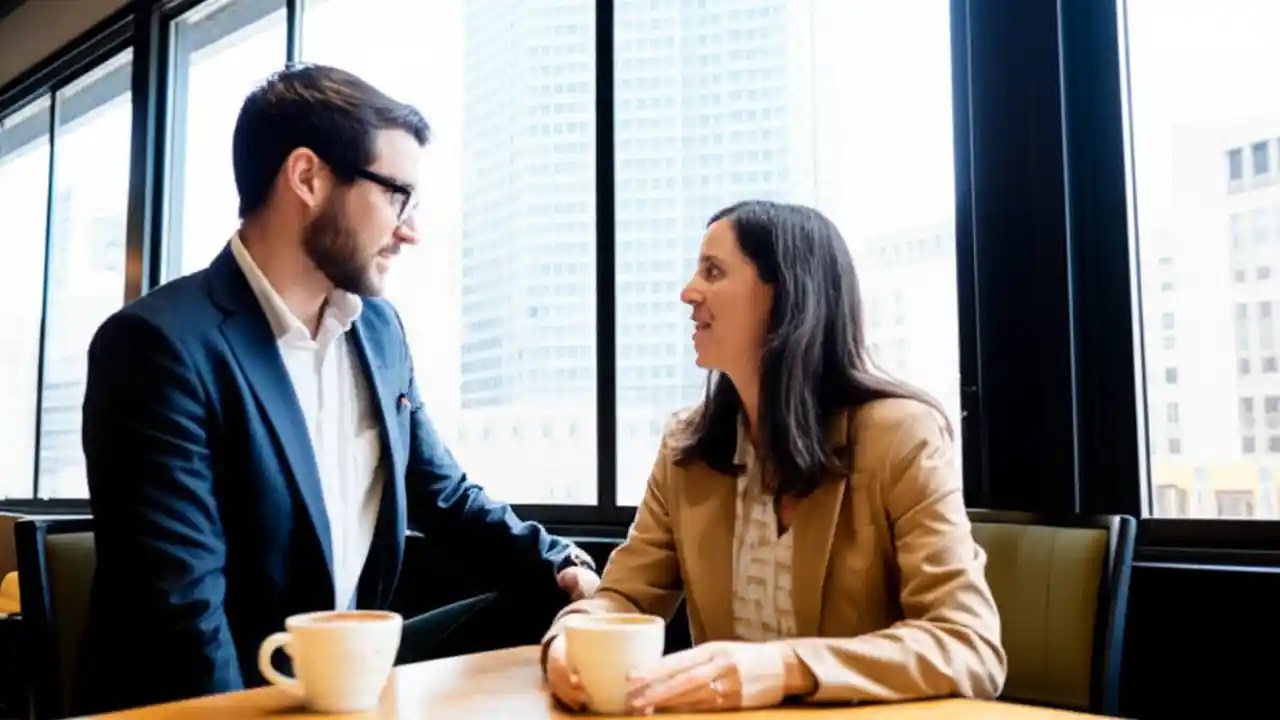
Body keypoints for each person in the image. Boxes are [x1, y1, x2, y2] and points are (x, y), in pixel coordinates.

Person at [75, 64, 599, 715]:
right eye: (395, 195)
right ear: (308, 177)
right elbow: (183, 616)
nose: (409, 229)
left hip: (341, 677)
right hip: (216, 693)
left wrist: (562, 563)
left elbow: (440, 492)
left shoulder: (377, 330)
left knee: (543, 603)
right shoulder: (157, 345)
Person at [542, 200, 1006, 714]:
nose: (687, 292)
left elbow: (968, 644)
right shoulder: (685, 449)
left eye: (713, 271)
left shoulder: (900, 436)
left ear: (784, 295)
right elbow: (624, 598)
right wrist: (569, 639)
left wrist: (784, 667)